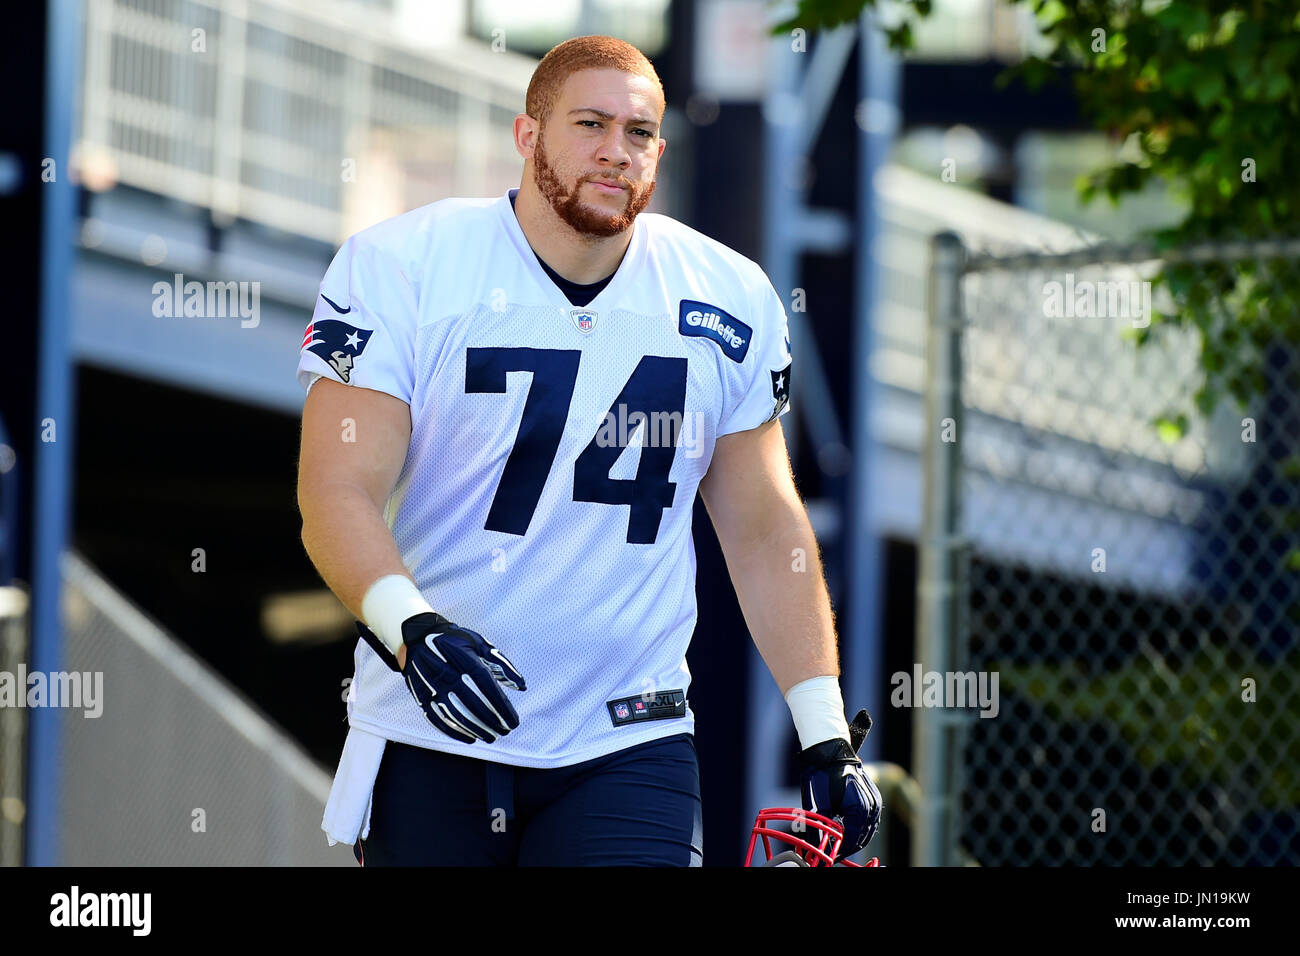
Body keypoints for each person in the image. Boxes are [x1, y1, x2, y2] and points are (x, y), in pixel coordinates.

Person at [295, 34, 880, 866]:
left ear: (659, 152)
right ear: (527, 136)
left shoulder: (727, 294)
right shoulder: (405, 266)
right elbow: (335, 491)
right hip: (435, 724)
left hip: (628, 736)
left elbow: (764, 528)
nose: (615, 152)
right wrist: (412, 630)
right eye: (590, 124)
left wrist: (825, 735)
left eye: (638, 133)